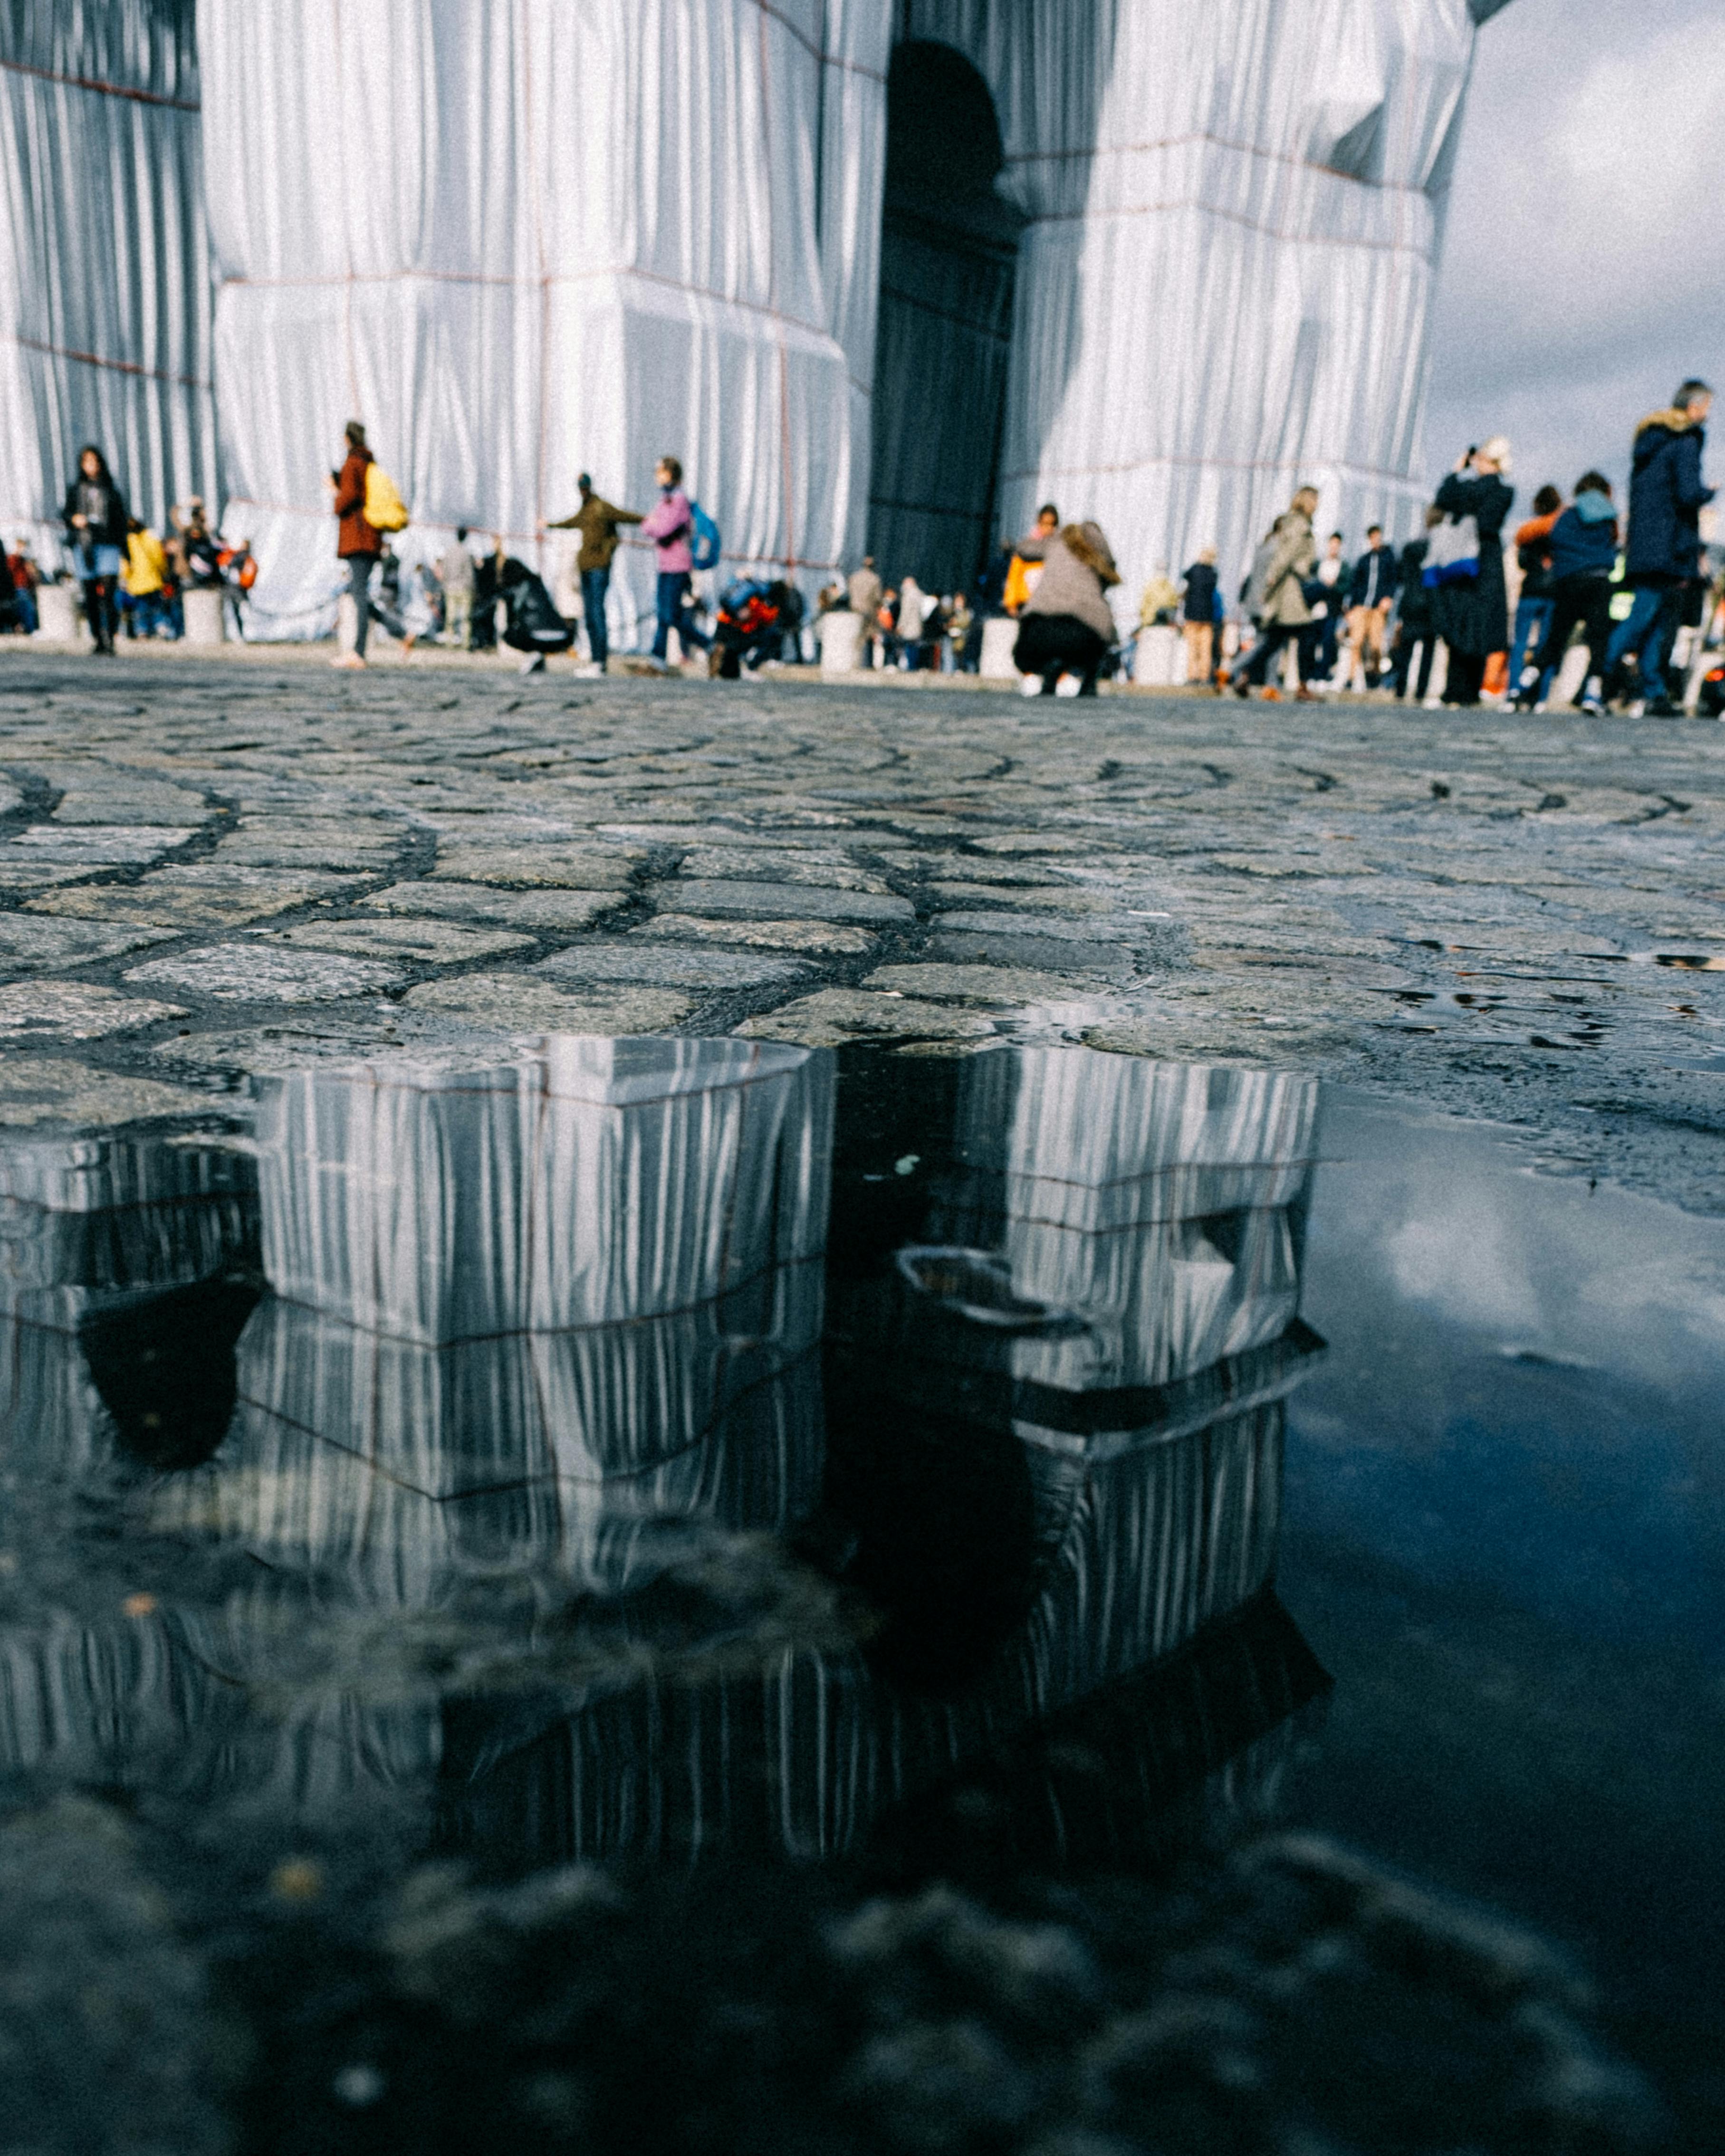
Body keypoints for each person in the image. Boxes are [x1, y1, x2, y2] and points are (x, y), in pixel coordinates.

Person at [1607, 380, 1714, 717]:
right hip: (1670, 544)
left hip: (1645, 542)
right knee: (1647, 617)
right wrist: (1708, 492)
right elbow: (1687, 494)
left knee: (1653, 618)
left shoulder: (1650, 444)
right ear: (1694, 407)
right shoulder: (1686, 442)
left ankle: (1652, 690)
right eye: (1707, 407)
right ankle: (1602, 674)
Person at [1517, 474, 1618, 715]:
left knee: (1556, 638)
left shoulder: (1568, 515)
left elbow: (1554, 537)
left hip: (1569, 582)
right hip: (1599, 581)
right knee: (1598, 640)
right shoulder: (1609, 516)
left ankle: (1522, 684)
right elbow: (1614, 542)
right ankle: (1593, 693)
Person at [1430, 438, 1514, 706]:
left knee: (1461, 623)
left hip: (1466, 561)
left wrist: (1458, 470)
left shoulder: (1474, 490)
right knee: (1478, 626)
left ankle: (1456, 689)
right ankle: (1466, 690)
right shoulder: (1502, 491)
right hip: (1482, 562)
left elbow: (1444, 500)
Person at [327, 421, 413, 668]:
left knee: (359, 595)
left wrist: (336, 492)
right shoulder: (366, 463)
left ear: (347, 439)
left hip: (359, 539)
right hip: (369, 538)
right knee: (358, 594)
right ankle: (400, 633)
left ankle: (359, 653)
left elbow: (349, 498)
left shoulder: (353, 463)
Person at [542, 475, 642, 672]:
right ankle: (596, 659)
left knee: (597, 613)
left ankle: (600, 661)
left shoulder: (601, 507)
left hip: (599, 568)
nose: (583, 491)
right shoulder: (586, 509)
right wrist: (550, 525)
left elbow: (624, 516)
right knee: (589, 614)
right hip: (586, 567)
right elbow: (571, 522)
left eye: (585, 488)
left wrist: (648, 520)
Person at [1012, 520, 1119, 696]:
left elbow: (1023, 549)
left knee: (1026, 656)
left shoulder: (1055, 542)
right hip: (1083, 633)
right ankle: (1089, 680)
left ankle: (1051, 668)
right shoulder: (1097, 549)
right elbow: (1111, 566)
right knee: (1101, 628)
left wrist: (1040, 536)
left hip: (1037, 631)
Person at [1236, 486, 1318, 699]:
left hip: (1283, 592)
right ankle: (1302, 686)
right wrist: (1271, 582)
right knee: (1305, 636)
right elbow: (1287, 557)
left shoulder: (1289, 523)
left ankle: (1242, 674)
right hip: (1291, 592)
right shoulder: (1300, 525)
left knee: (1272, 641)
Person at [640, 455, 709, 665]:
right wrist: (652, 524)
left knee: (668, 614)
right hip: (665, 564)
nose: (657, 477)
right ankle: (706, 645)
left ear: (670, 474)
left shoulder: (679, 500)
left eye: (660, 472)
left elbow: (662, 528)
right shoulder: (666, 499)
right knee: (670, 614)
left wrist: (653, 524)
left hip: (678, 566)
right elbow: (648, 525)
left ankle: (660, 656)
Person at [62, 444, 128, 655]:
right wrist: (74, 519)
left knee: (109, 593)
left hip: (108, 544)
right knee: (90, 593)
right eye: (88, 462)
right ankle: (97, 638)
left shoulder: (110, 491)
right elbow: (65, 514)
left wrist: (126, 551)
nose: (92, 467)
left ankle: (110, 638)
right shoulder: (75, 490)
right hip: (85, 545)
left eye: (95, 462)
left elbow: (120, 521)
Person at [1508, 486, 1563, 694]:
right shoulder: (1561, 530)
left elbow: (1521, 562)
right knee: (1546, 644)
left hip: (1530, 590)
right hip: (1553, 593)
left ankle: (1514, 689)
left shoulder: (1527, 532)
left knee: (1520, 643)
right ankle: (1540, 695)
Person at [1390, 508, 1443, 703]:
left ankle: (1400, 689)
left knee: (1407, 649)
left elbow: (1400, 576)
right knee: (1428, 651)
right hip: (1431, 604)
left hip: (1411, 602)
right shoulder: (1439, 549)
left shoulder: (1410, 548)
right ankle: (1421, 692)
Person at [495, 555, 576, 673]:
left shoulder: (518, 588)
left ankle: (534, 653)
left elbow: (514, 615)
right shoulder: (538, 583)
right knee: (533, 628)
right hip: (562, 635)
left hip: (535, 635)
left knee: (509, 634)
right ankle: (538, 657)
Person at [1343, 525, 1399, 691]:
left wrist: (1388, 598)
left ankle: (1374, 676)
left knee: (1376, 643)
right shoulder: (1363, 560)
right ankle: (1351, 677)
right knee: (1356, 642)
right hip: (1362, 606)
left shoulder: (1388, 558)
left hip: (1378, 609)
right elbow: (1355, 585)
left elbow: (1393, 581)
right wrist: (1351, 608)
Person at [1003, 504, 1059, 616]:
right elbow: (1014, 576)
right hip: (1025, 600)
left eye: (1051, 525)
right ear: (1038, 523)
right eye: (1044, 524)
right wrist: (1011, 603)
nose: (1047, 528)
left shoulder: (1057, 549)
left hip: (1046, 602)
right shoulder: (1027, 547)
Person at [122, 517, 169, 639]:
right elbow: (159, 559)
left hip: (136, 581)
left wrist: (126, 577)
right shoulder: (151, 539)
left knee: (141, 608)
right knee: (157, 606)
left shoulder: (128, 542)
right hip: (153, 578)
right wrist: (163, 572)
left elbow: (125, 564)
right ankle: (161, 627)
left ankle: (142, 631)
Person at [1180, 548, 1219, 689]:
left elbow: (1184, 576)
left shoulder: (1194, 571)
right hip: (1207, 617)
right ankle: (1204, 677)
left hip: (1192, 615)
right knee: (1205, 648)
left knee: (1193, 648)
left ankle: (1193, 676)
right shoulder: (1213, 573)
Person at [436, 526, 478, 649]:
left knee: (450, 617)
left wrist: (444, 586)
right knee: (466, 618)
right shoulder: (466, 553)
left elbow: (445, 571)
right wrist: (473, 589)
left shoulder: (449, 551)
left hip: (451, 587)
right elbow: (470, 573)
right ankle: (465, 643)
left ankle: (449, 643)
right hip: (465, 588)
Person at [898, 574, 932, 668]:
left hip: (910, 626)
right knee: (916, 647)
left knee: (910, 647)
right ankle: (915, 666)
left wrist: (901, 626)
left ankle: (911, 667)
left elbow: (905, 613)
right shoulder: (920, 595)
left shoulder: (908, 595)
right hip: (919, 625)